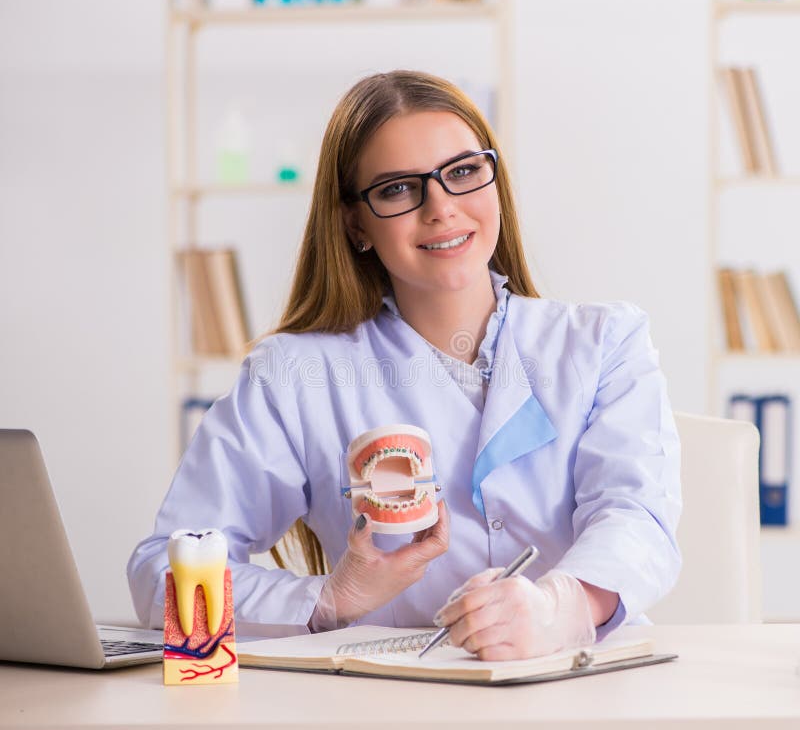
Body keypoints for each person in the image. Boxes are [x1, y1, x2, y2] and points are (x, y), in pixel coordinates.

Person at [128, 70, 681, 661]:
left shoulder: (604, 342)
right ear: (355, 224)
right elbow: (164, 569)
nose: (441, 209)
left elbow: (637, 516)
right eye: (397, 189)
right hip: (395, 700)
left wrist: (559, 609)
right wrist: (328, 600)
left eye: (464, 172)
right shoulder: (293, 374)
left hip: (587, 685)